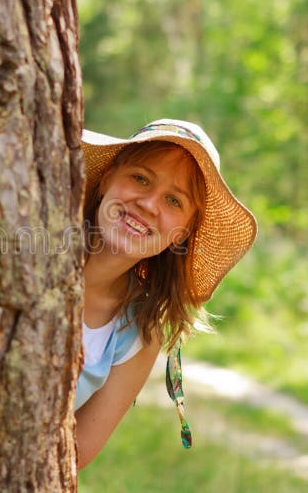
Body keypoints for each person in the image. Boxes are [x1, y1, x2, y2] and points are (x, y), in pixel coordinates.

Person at [75, 119, 257, 468]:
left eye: (174, 201)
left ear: (182, 234)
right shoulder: (28, 262)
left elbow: (77, 452)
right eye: (140, 178)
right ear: (108, 179)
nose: (149, 204)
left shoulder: (138, 331)